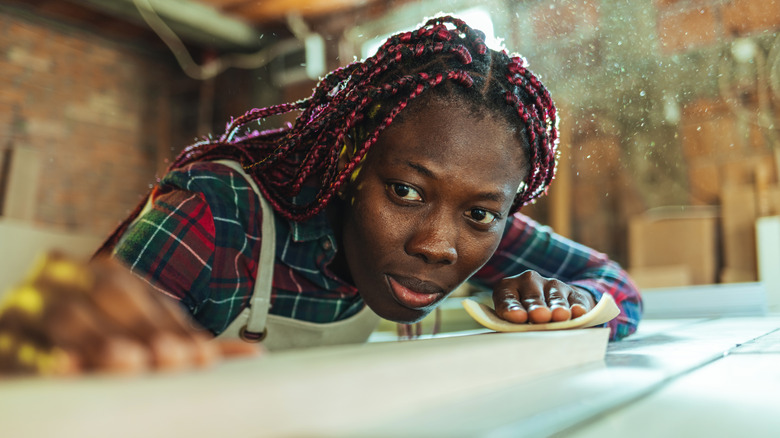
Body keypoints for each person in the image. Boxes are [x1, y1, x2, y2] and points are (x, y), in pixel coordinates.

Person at [0, 16, 642, 375]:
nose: (439, 245)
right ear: (354, 163)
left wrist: (576, 305)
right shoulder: (217, 216)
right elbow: (58, 361)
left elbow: (616, 286)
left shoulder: (468, 229)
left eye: (480, 213)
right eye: (406, 191)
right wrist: (31, 350)